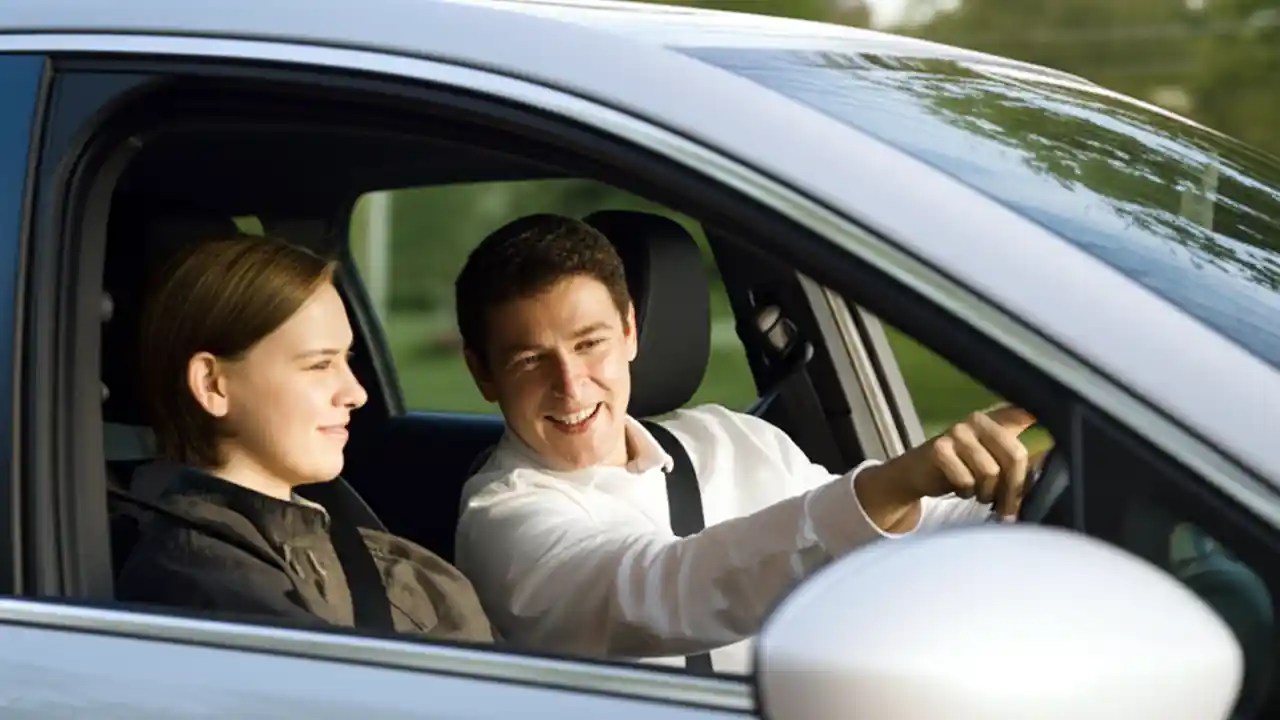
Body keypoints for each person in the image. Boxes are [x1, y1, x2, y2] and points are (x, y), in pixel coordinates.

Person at [453, 214, 1036, 672]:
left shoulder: (730, 439)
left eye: (589, 343)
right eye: (531, 360)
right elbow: (667, 588)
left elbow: (904, 537)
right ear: (483, 374)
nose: (570, 384)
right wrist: (895, 482)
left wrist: (1038, 490)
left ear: (630, 331)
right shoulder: (501, 519)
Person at [116, 235, 494, 644]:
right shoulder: (212, 583)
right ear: (213, 384)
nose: (356, 393)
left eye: (346, 361)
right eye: (318, 365)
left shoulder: (327, 531)